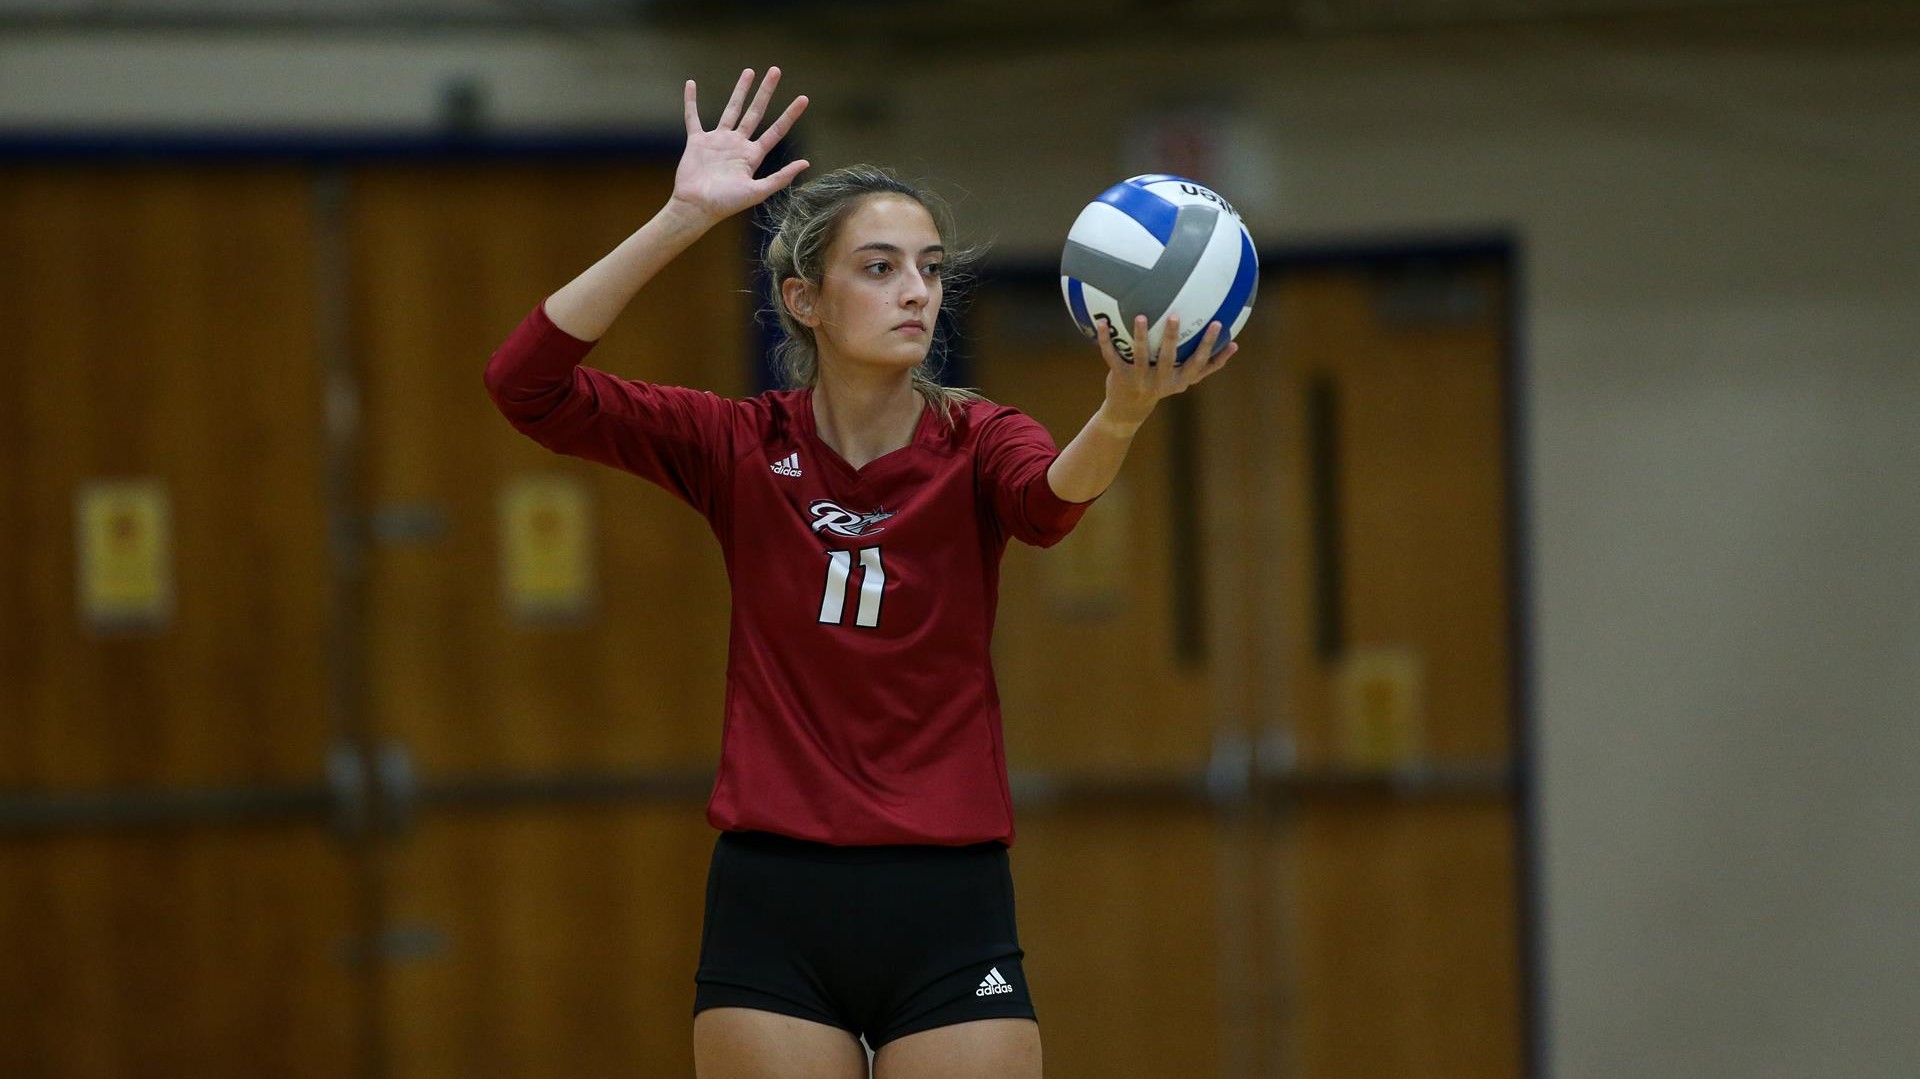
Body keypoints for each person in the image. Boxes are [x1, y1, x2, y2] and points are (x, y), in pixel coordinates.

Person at [483, 66, 1236, 1079]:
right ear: (807, 300)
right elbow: (524, 383)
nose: (916, 289)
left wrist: (1123, 413)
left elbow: (1050, 506)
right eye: (879, 267)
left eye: (928, 267)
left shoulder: (979, 439)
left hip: (948, 897)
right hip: (775, 896)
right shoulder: (739, 446)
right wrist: (681, 217)